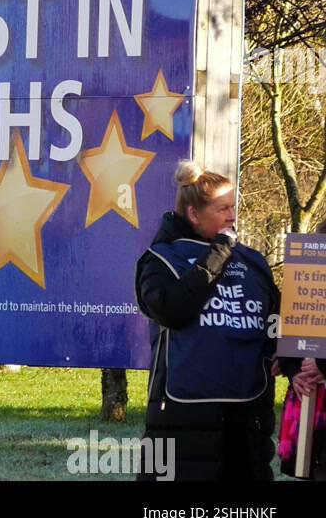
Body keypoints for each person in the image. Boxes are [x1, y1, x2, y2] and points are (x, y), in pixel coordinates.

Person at [135, 161, 278, 481]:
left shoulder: (254, 262)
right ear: (194, 214)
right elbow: (173, 309)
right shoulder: (160, 260)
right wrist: (218, 254)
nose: (232, 216)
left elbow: (275, 319)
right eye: (222, 208)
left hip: (246, 418)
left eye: (233, 207)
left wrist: (281, 352)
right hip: (181, 416)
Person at [276, 218, 326, 479]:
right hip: (311, 402)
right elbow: (292, 329)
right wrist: (295, 370)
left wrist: (323, 367)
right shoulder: (310, 269)